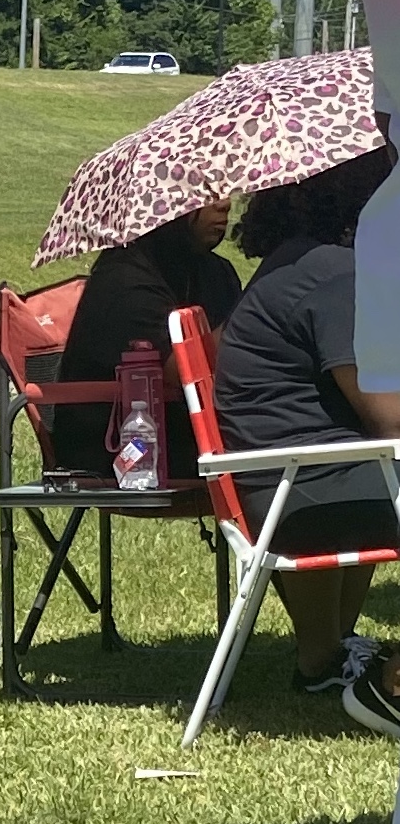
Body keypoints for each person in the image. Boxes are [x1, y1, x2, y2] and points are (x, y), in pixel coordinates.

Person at [213, 146, 400, 699]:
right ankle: (363, 675)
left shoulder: (301, 262)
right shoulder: (334, 276)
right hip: (305, 491)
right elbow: (388, 418)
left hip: (289, 481)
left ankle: (332, 652)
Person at [51, 201, 242, 479]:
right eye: (206, 194)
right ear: (166, 203)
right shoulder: (123, 280)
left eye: (225, 190)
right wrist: (259, 308)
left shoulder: (215, 272)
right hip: (122, 450)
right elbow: (185, 371)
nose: (224, 203)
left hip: (190, 431)